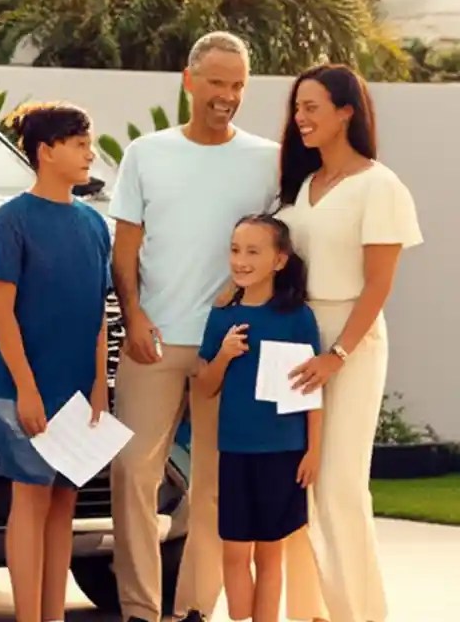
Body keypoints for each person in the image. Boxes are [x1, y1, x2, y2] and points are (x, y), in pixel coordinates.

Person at [106, 31, 283, 622]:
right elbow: (124, 248)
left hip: (227, 347)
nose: (227, 96)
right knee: (133, 471)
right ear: (189, 81)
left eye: (237, 85)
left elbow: (278, 248)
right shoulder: (146, 153)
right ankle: (139, 609)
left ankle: (194, 610)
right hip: (152, 340)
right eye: (216, 82)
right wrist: (132, 316)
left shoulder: (266, 159)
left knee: (211, 482)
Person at [274, 63, 423, 622]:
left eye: (312, 107)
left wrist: (338, 356)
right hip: (294, 337)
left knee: (338, 487)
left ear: (346, 112)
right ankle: (310, 612)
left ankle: (360, 614)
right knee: (298, 484)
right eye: (297, 107)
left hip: (350, 344)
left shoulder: (379, 185)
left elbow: (380, 282)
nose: (300, 118)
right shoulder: (301, 183)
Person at [0, 101, 112, 622]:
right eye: (79, 144)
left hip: (79, 386)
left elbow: (99, 312)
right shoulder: (12, 219)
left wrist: (100, 384)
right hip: (26, 385)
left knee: (65, 502)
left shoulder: (94, 224)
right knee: (31, 499)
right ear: (46, 151)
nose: (90, 154)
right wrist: (26, 389)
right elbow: (2, 312)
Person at [194, 214, 325, 622]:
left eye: (253, 251)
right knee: (234, 551)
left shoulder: (298, 318)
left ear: (279, 260)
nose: (241, 260)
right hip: (235, 450)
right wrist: (225, 355)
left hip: (283, 452)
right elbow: (205, 386)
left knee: (271, 554)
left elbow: (311, 391)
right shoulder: (221, 318)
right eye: (235, 250)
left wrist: (313, 451)